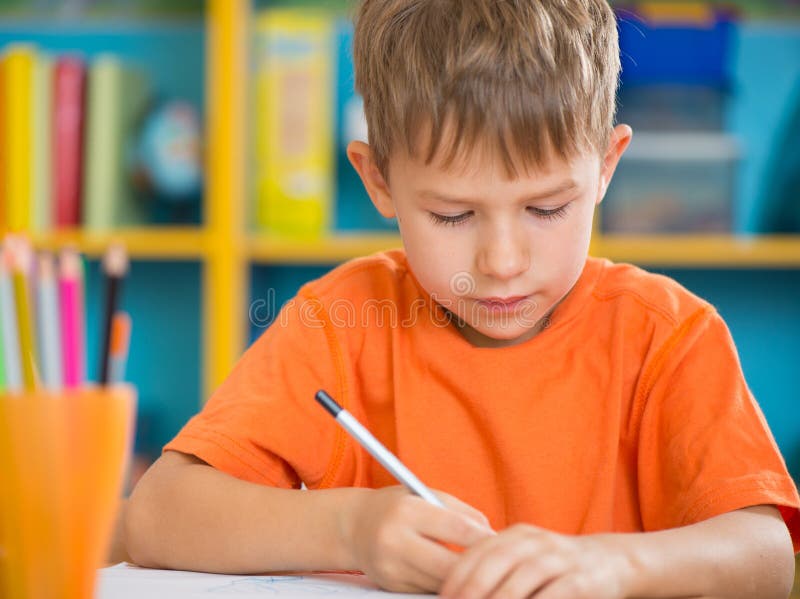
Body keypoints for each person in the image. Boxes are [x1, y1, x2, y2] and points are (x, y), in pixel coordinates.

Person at [125, 1, 800, 596]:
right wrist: (350, 528)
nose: (501, 262)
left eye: (545, 207)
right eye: (453, 215)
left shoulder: (667, 336)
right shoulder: (340, 323)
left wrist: (613, 567)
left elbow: (768, 557)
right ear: (378, 179)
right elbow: (155, 515)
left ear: (606, 166)